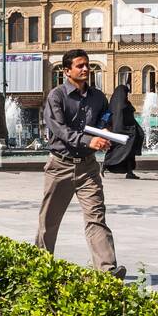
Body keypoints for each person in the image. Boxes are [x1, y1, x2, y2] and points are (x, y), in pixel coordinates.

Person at [35, 49, 125, 278]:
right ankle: (39, 266)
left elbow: (105, 117)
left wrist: (106, 131)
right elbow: (60, 130)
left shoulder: (97, 97)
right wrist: (89, 140)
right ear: (67, 71)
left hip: (88, 168)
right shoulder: (56, 96)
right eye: (80, 66)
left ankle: (107, 270)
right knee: (49, 220)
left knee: (96, 216)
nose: (85, 69)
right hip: (60, 166)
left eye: (87, 65)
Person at [102, 84, 143, 179]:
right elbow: (118, 119)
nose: (127, 95)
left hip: (130, 131)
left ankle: (130, 172)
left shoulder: (121, 103)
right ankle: (106, 165)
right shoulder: (120, 104)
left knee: (130, 152)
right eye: (126, 93)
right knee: (119, 151)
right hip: (123, 132)